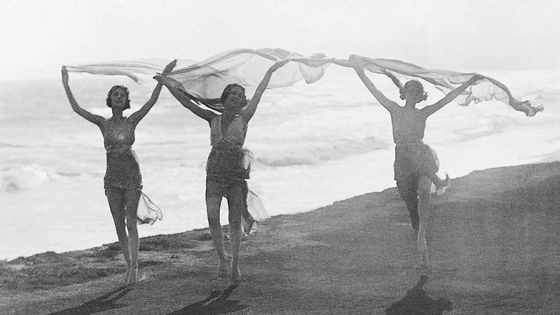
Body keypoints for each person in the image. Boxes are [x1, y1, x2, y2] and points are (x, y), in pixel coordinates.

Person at [155, 59, 289, 283]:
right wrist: (167, 83)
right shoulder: (212, 118)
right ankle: (222, 258)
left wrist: (270, 70)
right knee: (211, 215)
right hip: (215, 172)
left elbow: (259, 93)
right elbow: (187, 103)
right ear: (225, 99)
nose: (237, 97)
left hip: (235, 174)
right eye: (233, 94)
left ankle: (235, 263)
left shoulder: (244, 118)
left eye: (240, 95)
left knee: (234, 219)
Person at [350, 55, 483, 265]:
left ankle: (423, 231)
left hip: (420, 156)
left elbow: (446, 100)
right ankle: (423, 246)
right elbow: (374, 91)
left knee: (423, 190)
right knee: (412, 208)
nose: (412, 94)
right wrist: (359, 72)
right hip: (402, 160)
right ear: (404, 94)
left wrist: (467, 83)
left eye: (416, 92)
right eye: (409, 91)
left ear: (420, 96)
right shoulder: (394, 109)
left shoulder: (424, 113)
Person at [61, 60, 176, 285]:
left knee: (130, 222)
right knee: (118, 224)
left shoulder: (132, 120)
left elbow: (152, 101)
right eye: (114, 94)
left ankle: (134, 267)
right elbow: (77, 109)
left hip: (132, 175)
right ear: (110, 99)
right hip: (111, 178)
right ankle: (129, 263)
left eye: (121, 95)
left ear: (126, 101)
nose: (118, 97)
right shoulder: (103, 123)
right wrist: (66, 83)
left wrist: (163, 77)